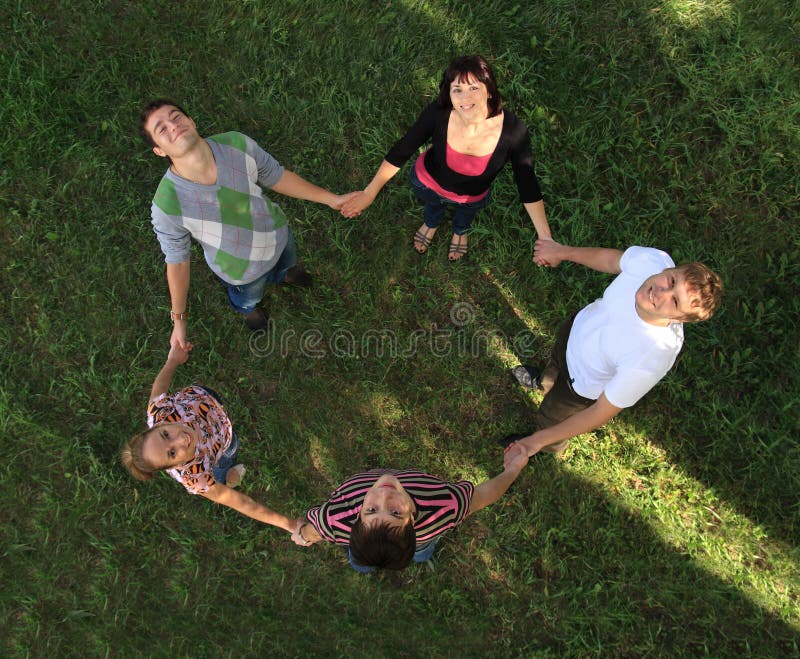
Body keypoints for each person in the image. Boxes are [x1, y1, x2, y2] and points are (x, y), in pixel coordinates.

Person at [140, 99, 357, 347]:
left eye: (176, 116)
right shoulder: (167, 205)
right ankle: (248, 310)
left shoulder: (236, 144)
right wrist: (179, 321)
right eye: (162, 129)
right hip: (241, 273)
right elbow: (177, 262)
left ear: (192, 121)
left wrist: (332, 199)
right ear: (159, 150)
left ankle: (286, 274)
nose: (173, 125)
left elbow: (275, 175)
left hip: (278, 236)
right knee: (248, 298)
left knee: (289, 264)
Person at [505, 239, 723, 457]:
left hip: (578, 386)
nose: (661, 292)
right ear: (668, 269)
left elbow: (599, 412)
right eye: (672, 280)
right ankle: (545, 383)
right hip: (573, 332)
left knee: (552, 416)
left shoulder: (649, 358)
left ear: (679, 319)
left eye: (675, 301)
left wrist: (537, 441)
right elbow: (611, 260)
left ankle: (545, 447)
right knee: (554, 365)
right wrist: (562, 252)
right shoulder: (652, 261)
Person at [340, 55, 553, 262]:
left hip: (473, 198)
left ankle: (460, 230)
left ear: (489, 91)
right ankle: (431, 222)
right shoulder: (438, 113)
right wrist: (370, 192)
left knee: (466, 213)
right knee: (433, 206)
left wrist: (545, 238)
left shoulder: (513, 132)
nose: (465, 98)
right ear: (449, 93)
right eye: (457, 89)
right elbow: (402, 150)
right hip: (427, 185)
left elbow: (527, 183)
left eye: (473, 88)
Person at [120, 344, 300, 536]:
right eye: (172, 453)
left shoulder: (159, 412)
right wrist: (289, 524)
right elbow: (241, 503)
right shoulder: (195, 477)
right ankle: (226, 477)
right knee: (226, 460)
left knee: (212, 397)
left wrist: (172, 361)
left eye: (165, 434)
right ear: (172, 467)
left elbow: (160, 387)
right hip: (223, 442)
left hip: (204, 398)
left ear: (157, 426)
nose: (180, 439)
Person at [289, 444, 529, 572]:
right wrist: (513, 469)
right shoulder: (445, 506)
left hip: (405, 540)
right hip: (422, 538)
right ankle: (419, 554)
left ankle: (365, 564)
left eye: (371, 510)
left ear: (358, 518)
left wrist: (302, 534)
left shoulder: (335, 519)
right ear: (412, 523)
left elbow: (315, 532)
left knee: (360, 560)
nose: (384, 496)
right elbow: (484, 495)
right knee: (421, 550)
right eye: (395, 512)